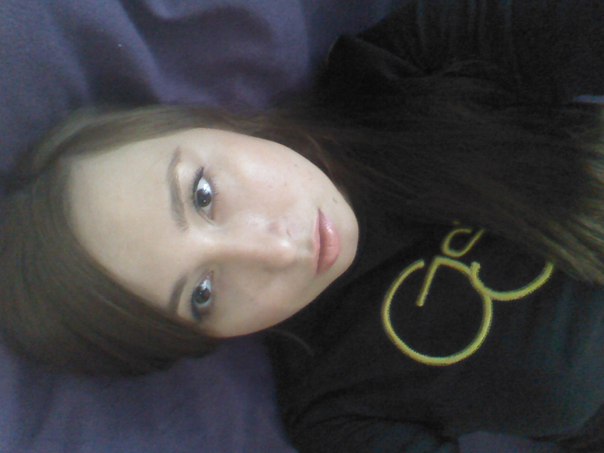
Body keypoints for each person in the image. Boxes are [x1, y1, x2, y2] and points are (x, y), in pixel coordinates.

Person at [1, 1, 603, 451]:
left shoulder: (406, 68)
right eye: (203, 294)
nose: (274, 250)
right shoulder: (333, 413)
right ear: (206, 339)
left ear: (210, 123)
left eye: (203, 195)